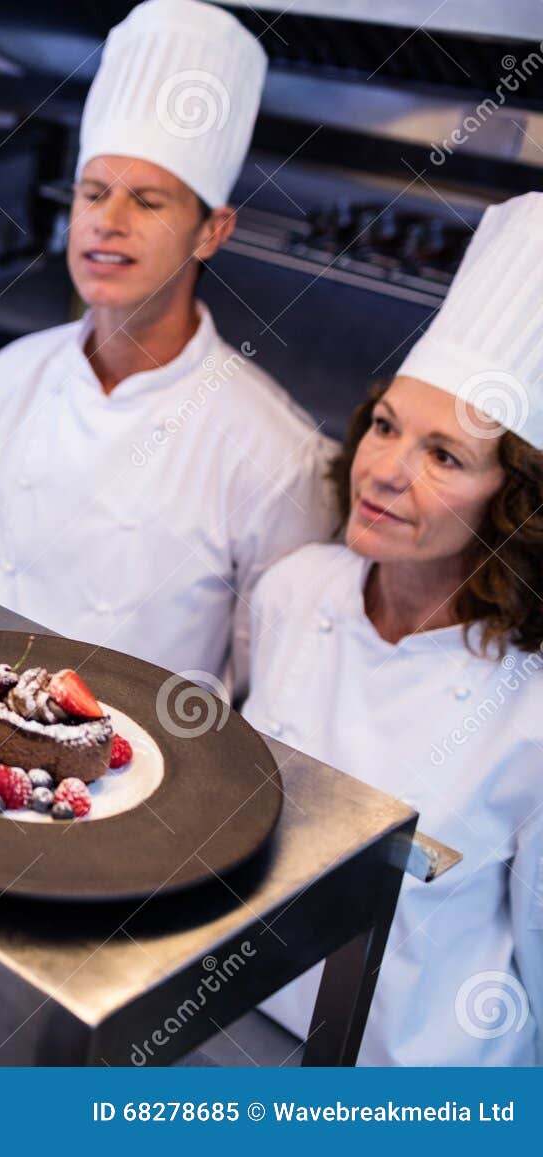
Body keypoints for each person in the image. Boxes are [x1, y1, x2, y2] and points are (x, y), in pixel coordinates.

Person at [244, 193, 543, 1066]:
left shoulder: (529, 714)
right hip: (240, 1032)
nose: (383, 471)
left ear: (515, 501)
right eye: (385, 425)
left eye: (443, 455)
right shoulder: (296, 593)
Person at [0, 0, 332, 692]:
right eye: (93, 192)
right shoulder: (8, 378)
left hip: (157, 787)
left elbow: (267, 682)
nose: (108, 221)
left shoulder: (275, 454)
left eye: (149, 201)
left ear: (211, 232)